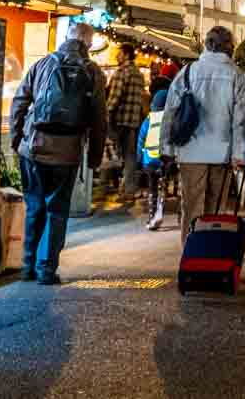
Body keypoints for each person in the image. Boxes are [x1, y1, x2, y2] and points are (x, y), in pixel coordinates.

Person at [9, 20, 109, 285]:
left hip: (34, 147)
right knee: (56, 210)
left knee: (34, 207)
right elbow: (99, 119)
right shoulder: (94, 72)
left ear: (66, 38)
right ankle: (46, 269)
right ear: (88, 44)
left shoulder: (43, 64)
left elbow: (19, 101)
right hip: (67, 152)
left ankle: (27, 265)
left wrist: (17, 138)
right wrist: (95, 158)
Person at [164, 25, 245, 233]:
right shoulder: (237, 75)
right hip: (222, 151)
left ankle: (190, 254)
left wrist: (167, 148)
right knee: (215, 210)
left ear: (207, 45)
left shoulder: (188, 72)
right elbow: (241, 120)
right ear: (230, 47)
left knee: (191, 206)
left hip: (190, 150)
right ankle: (209, 255)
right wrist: (239, 153)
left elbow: (170, 112)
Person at [104, 46, 151, 202]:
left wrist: (106, 114)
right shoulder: (138, 74)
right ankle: (129, 189)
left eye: (119, 53)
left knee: (112, 153)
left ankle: (106, 185)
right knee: (130, 155)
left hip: (119, 120)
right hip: (132, 122)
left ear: (125, 54)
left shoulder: (122, 72)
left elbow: (114, 99)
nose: (117, 56)